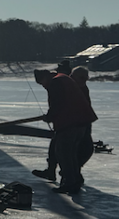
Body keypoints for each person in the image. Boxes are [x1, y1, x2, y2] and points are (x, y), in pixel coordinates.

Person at [34, 62, 98, 193]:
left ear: (45, 78)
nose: (43, 86)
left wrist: (50, 116)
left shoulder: (56, 83)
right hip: (77, 122)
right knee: (67, 151)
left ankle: (70, 182)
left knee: (65, 153)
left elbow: (58, 103)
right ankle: (72, 179)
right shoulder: (62, 78)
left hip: (71, 122)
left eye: (42, 83)